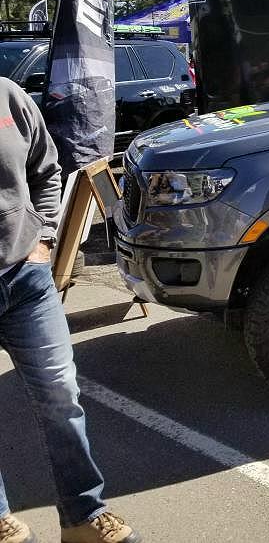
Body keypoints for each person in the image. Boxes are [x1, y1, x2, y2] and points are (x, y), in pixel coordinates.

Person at [0, 77, 139, 543]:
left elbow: (46, 171)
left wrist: (42, 240)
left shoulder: (8, 97)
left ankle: (82, 517)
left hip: (25, 280)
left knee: (61, 396)